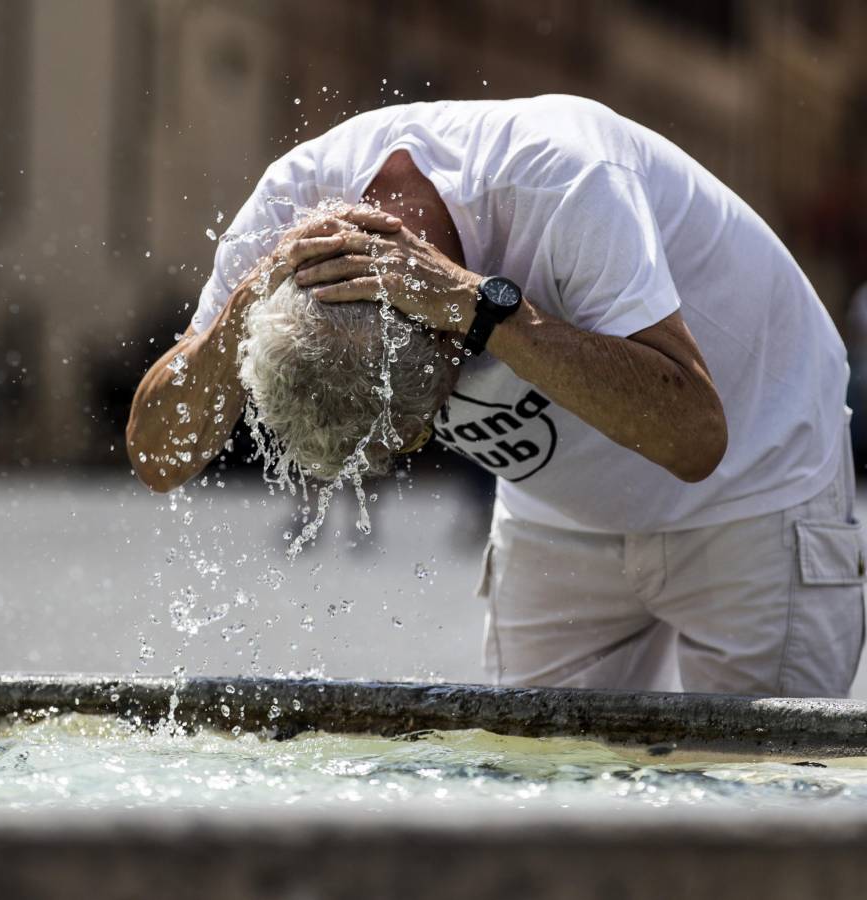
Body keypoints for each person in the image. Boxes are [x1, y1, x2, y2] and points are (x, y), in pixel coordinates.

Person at [126, 95, 865, 698]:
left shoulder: (565, 181)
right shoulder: (285, 215)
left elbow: (697, 438)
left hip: (757, 477)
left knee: (762, 789)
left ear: (450, 347)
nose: (420, 448)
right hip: (558, 510)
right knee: (539, 789)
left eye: (419, 432)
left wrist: (480, 307)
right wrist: (239, 310)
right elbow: (158, 459)